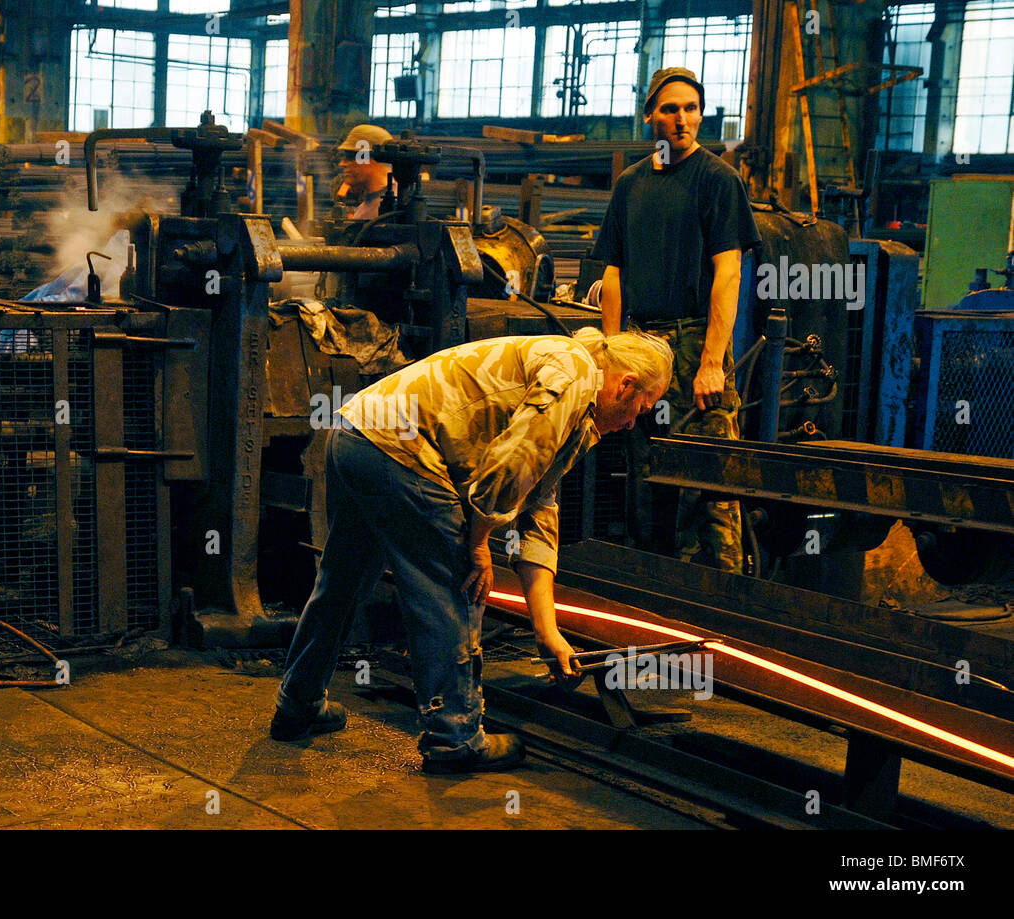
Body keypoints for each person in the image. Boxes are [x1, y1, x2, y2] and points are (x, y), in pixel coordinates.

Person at [270, 329, 673, 774]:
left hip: (355, 435)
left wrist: (547, 632)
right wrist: (478, 540)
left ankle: (298, 703)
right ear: (626, 384)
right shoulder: (575, 376)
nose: (635, 422)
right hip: (401, 450)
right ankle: (455, 738)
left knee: (342, 583)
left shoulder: (576, 400)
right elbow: (513, 463)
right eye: (644, 407)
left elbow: (538, 508)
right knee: (456, 585)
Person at [591, 66, 761, 573]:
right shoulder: (630, 184)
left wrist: (712, 362)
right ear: (650, 116)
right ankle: (656, 588)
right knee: (646, 473)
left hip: (692, 345)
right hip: (641, 345)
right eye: (670, 108)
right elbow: (614, 273)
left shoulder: (718, 180)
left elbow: (727, 275)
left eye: (691, 108)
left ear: (701, 115)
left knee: (708, 477)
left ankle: (722, 594)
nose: (682, 118)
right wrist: (611, 353)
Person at [335, 124, 393, 220]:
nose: (342, 163)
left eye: (350, 156)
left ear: (374, 159)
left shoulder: (394, 208)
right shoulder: (366, 208)